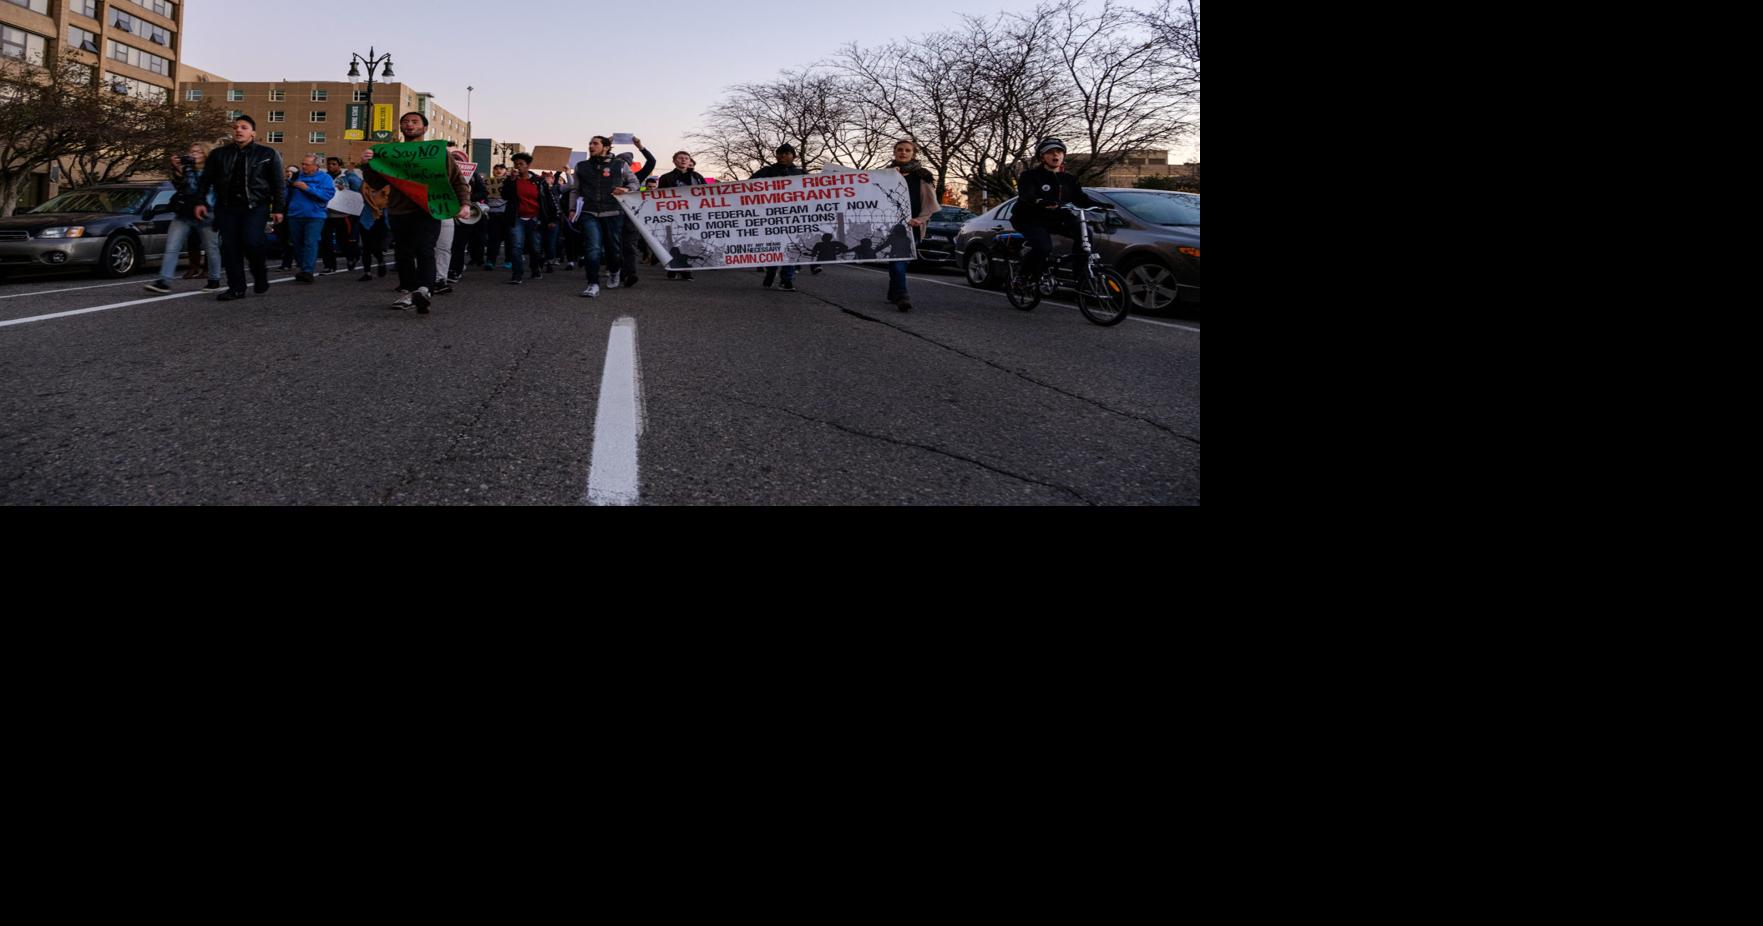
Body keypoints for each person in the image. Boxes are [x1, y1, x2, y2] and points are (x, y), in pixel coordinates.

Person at [360, 111, 472, 314]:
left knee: (425, 249)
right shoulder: (392, 153)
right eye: (405, 122)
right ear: (401, 128)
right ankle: (411, 292)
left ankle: (424, 290)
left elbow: (457, 181)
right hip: (398, 211)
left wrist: (464, 204)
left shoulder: (437, 153)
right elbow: (376, 183)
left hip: (429, 208)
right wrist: (367, 164)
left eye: (414, 121)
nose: (409, 125)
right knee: (403, 253)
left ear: (425, 128)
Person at [194, 115, 285, 302]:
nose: (238, 130)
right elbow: (205, 181)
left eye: (244, 127)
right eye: (236, 127)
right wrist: (200, 202)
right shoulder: (219, 154)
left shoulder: (267, 154)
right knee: (229, 247)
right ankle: (236, 288)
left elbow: (278, 184)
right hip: (227, 208)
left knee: (252, 242)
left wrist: (278, 208)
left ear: (253, 132)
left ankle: (260, 273)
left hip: (255, 206)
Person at [1010, 137, 1111, 291]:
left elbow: (1080, 199)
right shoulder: (1030, 176)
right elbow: (1026, 195)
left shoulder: (1068, 179)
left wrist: (1101, 206)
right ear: (1042, 157)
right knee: (1043, 247)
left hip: (1057, 217)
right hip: (1029, 218)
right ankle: (1022, 276)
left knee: (1084, 233)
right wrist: (1040, 202)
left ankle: (1081, 277)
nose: (1055, 155)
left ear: (1063, 155)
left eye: (1059, 152)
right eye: (1050, 152)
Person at [143, 142, 223, 294]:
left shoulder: (213, 171)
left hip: (207, 213)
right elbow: (181, 188)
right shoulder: (187, 169)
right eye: (192, 151)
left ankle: (214, 279)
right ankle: (164, 281)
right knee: (172, 246)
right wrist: (177, 169)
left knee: (211, 248)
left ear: (206, 155)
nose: (194, 154)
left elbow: (202, 189)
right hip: (184, 214)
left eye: (198, 152)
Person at [572, 136, 637, 298]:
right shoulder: (582, 166)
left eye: (595, 143)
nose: (591, 146)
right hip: (589, 212)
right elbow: (575, 189)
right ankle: (592, 284)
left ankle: (615, 270)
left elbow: (635, 183)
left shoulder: (620, 165)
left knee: (613, 250)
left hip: (614, 212)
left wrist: (626, 190)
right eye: (590, 143)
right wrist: (572, 209)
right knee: (592, 248)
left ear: (606, 147)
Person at [751, 143, 807, 291]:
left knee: (790, 248)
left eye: (787, 153)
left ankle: (787, 280)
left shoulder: (800, 173)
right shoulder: (766, 171)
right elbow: (748, 186)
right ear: (776, 156)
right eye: (780, 153)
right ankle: (771, 272)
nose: (783, 156)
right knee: (773, 248)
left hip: (793, 218)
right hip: (770, 217)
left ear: (793, 156)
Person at [502, 151, 557, 284]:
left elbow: (549, 200)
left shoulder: (539, 181)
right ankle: (517, 274)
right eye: (516, 164)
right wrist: (511, 181)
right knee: (516, 246)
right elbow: (505, 195)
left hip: (535, 218)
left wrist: (552, 219)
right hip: (517, 218)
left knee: (535, 247)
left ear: (528, 165)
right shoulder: (512, 181)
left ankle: (535, 268)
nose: (518, 167)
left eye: (521, 164)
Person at [284, 155, 335, 283]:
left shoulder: (325, 178)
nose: (303, 166)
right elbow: (285, 195)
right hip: (295, 214)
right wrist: (287, 185)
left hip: (315, 215)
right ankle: (303, 267)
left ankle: (307, 270)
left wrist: (307, 188)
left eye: (306, 164)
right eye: (302, 164)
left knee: (310, 242)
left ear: (316, 166)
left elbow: (327, 195)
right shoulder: (297, 176)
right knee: (296, 243)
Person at [657, 150, 705, 280]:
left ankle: (684, 270)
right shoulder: (666, 177)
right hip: (673, 215)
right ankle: (674, 267)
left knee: (687, 242)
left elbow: (706, 194)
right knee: (672, 243)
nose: (684, 160)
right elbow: (659, 196)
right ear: (674, 161)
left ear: (690, 161)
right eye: (680, 158)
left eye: (686, 158)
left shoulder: (698, 177)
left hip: (692, 215)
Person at [320, 156, 361, 274]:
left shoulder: (346, 178)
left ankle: (351, 257)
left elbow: (357, 192)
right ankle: (329, 265)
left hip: (342, 214)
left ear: (339, 165)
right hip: (326, 214)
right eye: (329, 164)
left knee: (343, 240)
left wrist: (344, 189)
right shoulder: (324, 178)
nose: (331, 166)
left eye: (334, 164)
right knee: (326, 241)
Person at [358, 180, 390, 281]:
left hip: (382, 219)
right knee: (366, 246)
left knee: (377, 246)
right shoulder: (365, 185)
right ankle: (367, 272)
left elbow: (386, 201)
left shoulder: (387, 186)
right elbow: (353, 184)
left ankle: (381, 261)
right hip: (367, 218)